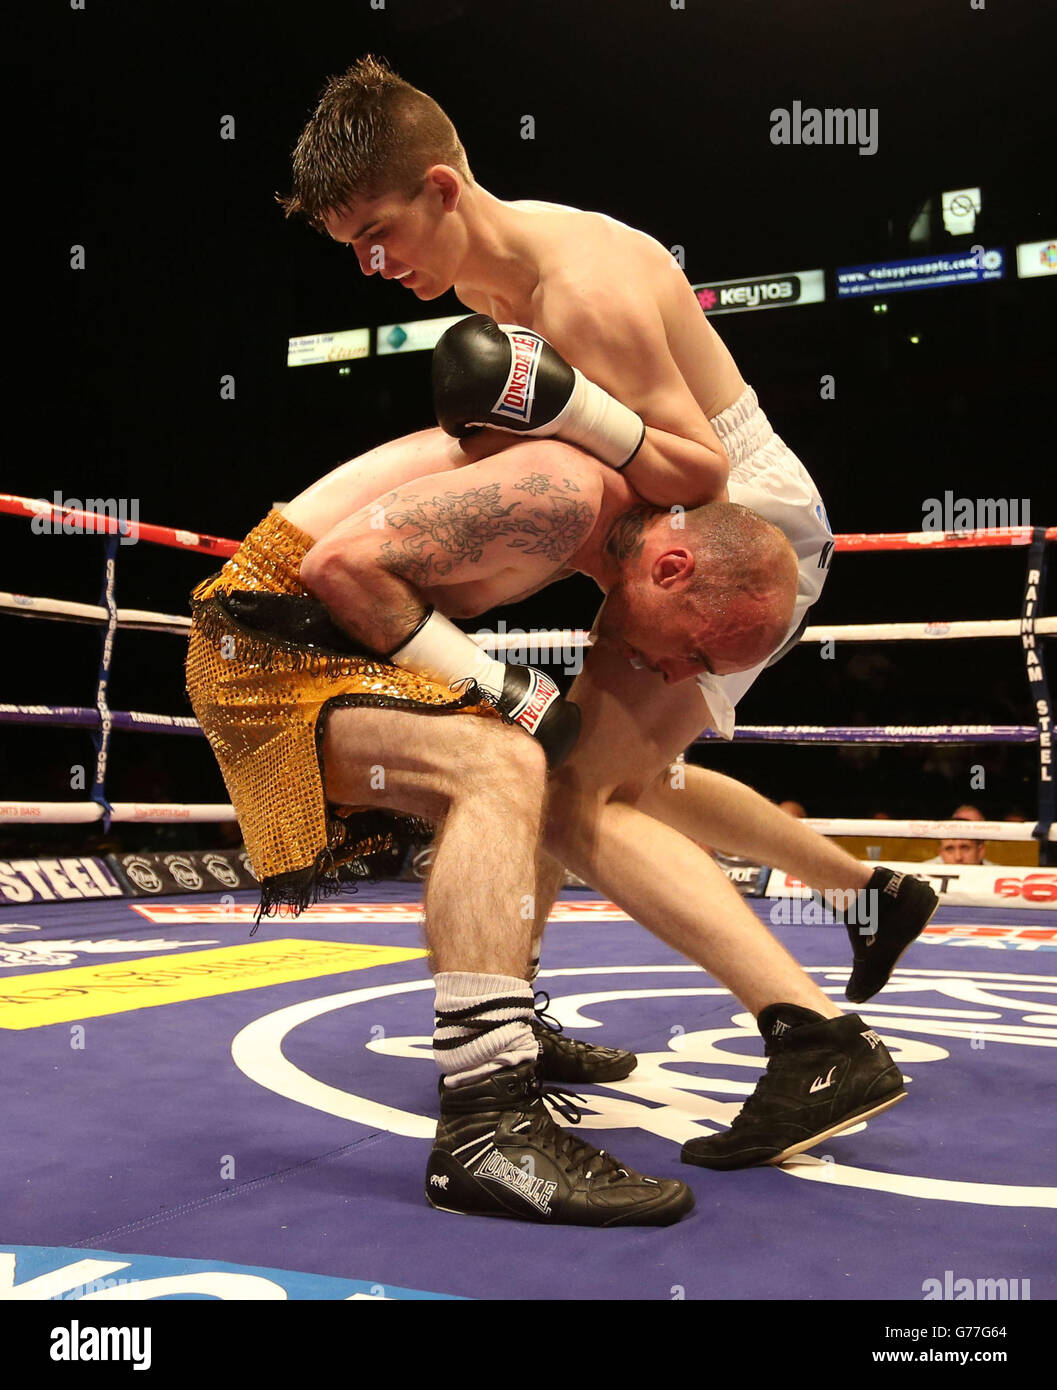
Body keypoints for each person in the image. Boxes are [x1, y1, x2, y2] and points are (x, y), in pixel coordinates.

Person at [276, 55, 932, 1170]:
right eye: (352, 248)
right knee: (623, 778)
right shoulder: (486, 278)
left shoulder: (576, 287)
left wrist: (567, 421)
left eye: (380, 230)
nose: (373, 264)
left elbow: (694, 476)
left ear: (443, 186)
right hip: (659, 514)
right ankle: (864, 895)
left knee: (567, 780)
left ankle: (815, 1038)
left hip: (728, 513)